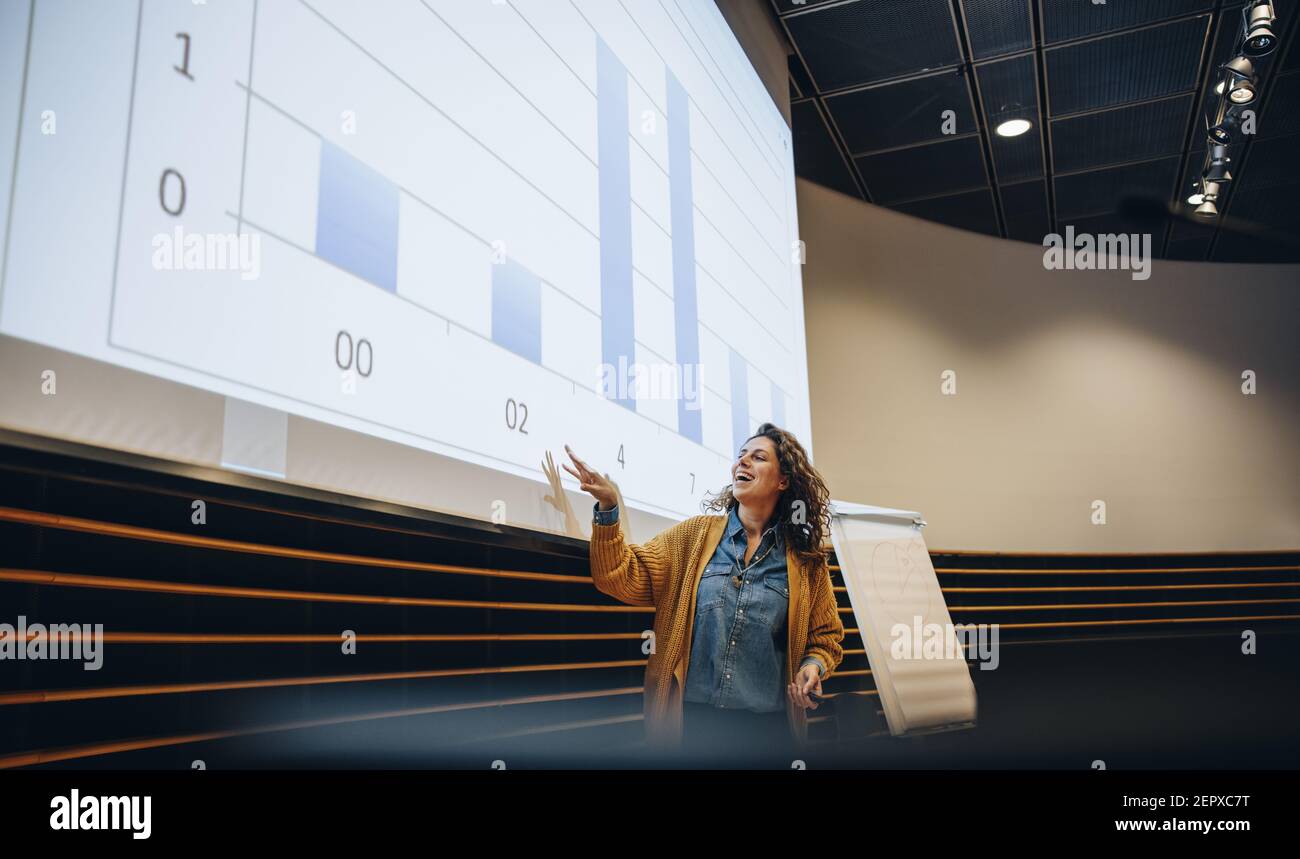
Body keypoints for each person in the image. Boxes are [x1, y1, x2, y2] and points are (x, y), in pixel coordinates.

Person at [562, 423, 844, 768]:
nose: (743, 463)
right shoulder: (693, 536)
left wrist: (812, 667)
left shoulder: (805, 560)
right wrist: (608, 507)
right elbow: (619, 576)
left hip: (768, 734)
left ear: (783, 481)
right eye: (741, 456)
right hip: (691, 728)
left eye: (758, 458)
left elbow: (826, 637)